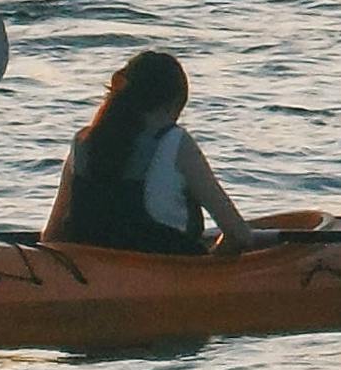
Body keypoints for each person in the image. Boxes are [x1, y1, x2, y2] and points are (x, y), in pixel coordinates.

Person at [47, 50, 269, 254]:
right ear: (173, 105)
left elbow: (51, 236)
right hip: (162, 275)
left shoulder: (84, 141)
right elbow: (239, 235)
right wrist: (211, 265)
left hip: (86, 273)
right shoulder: (175, 142)